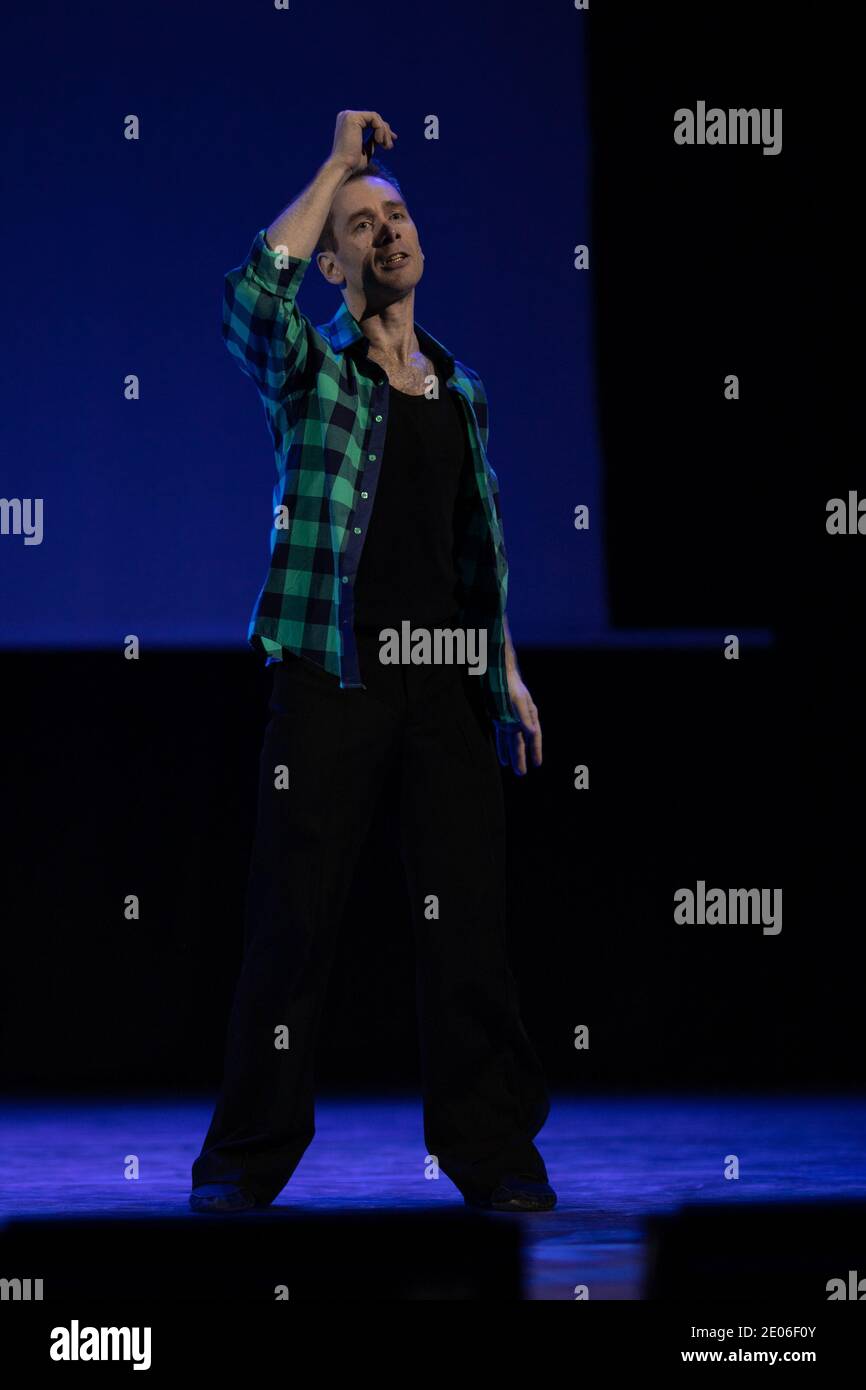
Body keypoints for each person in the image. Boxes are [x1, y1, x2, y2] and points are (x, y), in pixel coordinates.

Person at [190, 110, 554, 1213]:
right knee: (292, 925)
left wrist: (506, 672)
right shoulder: (314, 374)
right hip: (330, 676)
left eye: (394, 213)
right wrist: (334, 168)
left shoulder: (464, 391)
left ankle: (490, 1154)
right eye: (362, 223)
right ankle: (244, 1160)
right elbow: (252, 297)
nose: (385, 229)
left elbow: (470, 556)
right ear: (338, 261)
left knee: (468, 929)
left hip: (444, 681)